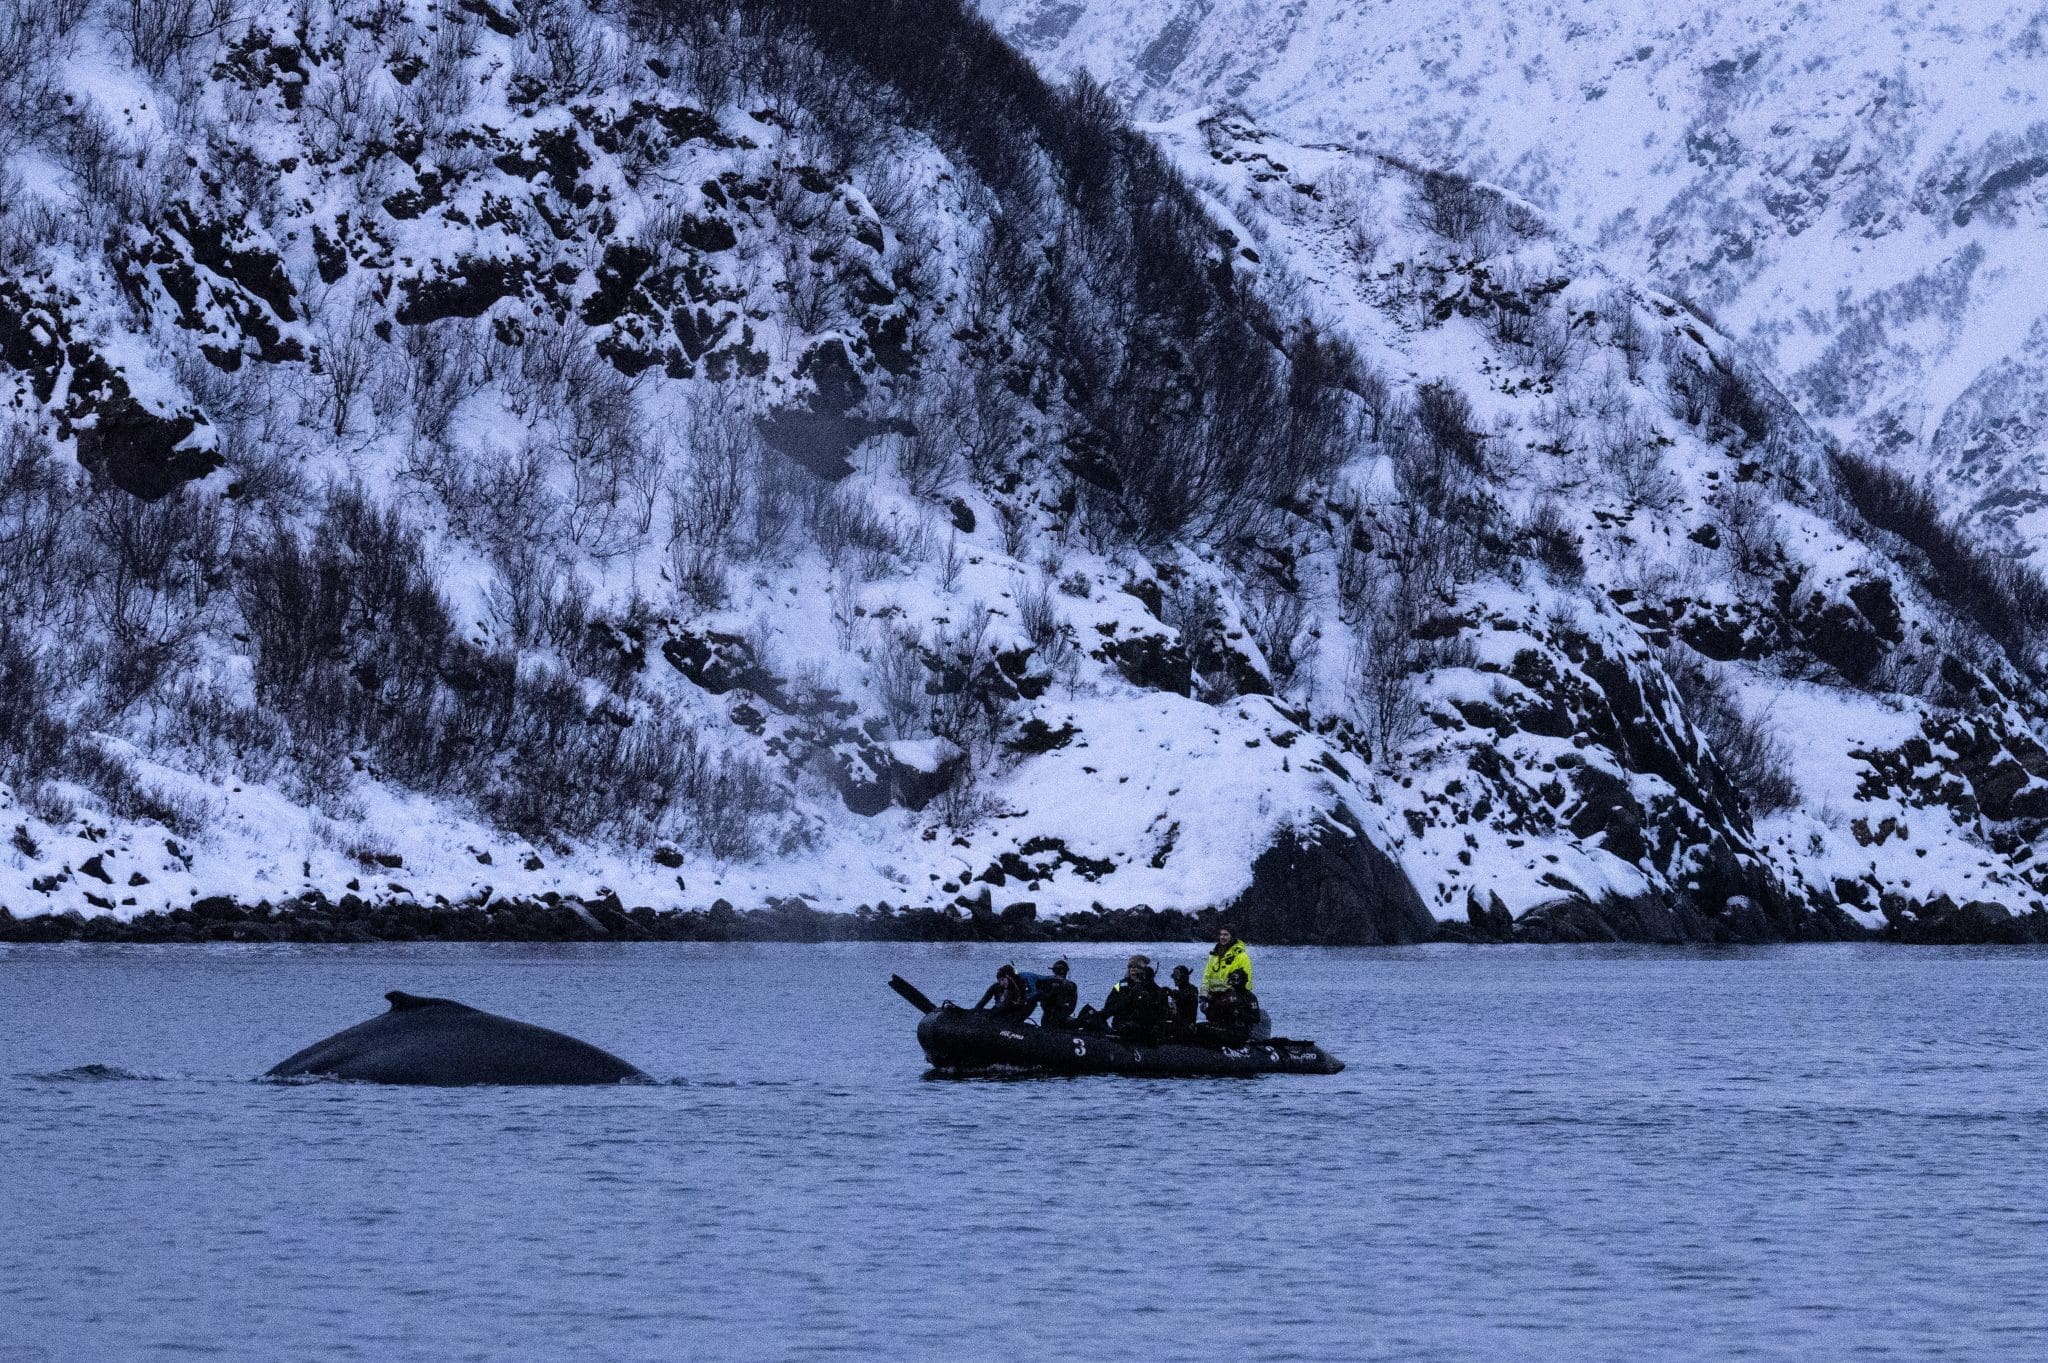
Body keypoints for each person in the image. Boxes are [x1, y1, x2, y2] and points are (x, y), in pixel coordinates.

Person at [1202, 968, 1268, 1042]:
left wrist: (1239, 1013)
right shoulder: (1224, 994)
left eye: (1235, 980)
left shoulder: (1249, 997)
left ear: (1243, 981)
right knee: (1200, 1028)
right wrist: (1208, 1006)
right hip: (1223, 1026)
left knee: (1205, 1029)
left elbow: (1256, 1018)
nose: (1232, 982)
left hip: (1238, 1030)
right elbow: (1214, 1015)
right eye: (1232, 980)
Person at [1018, 959, 1077, 1029]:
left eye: (1055, 971)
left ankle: (1018, 1019)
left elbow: (1041, 997)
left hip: (1052, 1018)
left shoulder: (1052, 983)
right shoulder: (1071, 985)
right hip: (1055, 1016)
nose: (1054, 973)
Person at [1201, 925, 1252, 996]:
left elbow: (1247, 980)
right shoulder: (1214, 955)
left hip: (1232, 999)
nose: (1222, 937)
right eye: (1221, 934)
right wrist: (1203, 995)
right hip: (1213, 999)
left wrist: (1242, 998)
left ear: (1232, 937)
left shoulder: (1241, 956)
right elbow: (1206, 977)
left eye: (1226, 934)